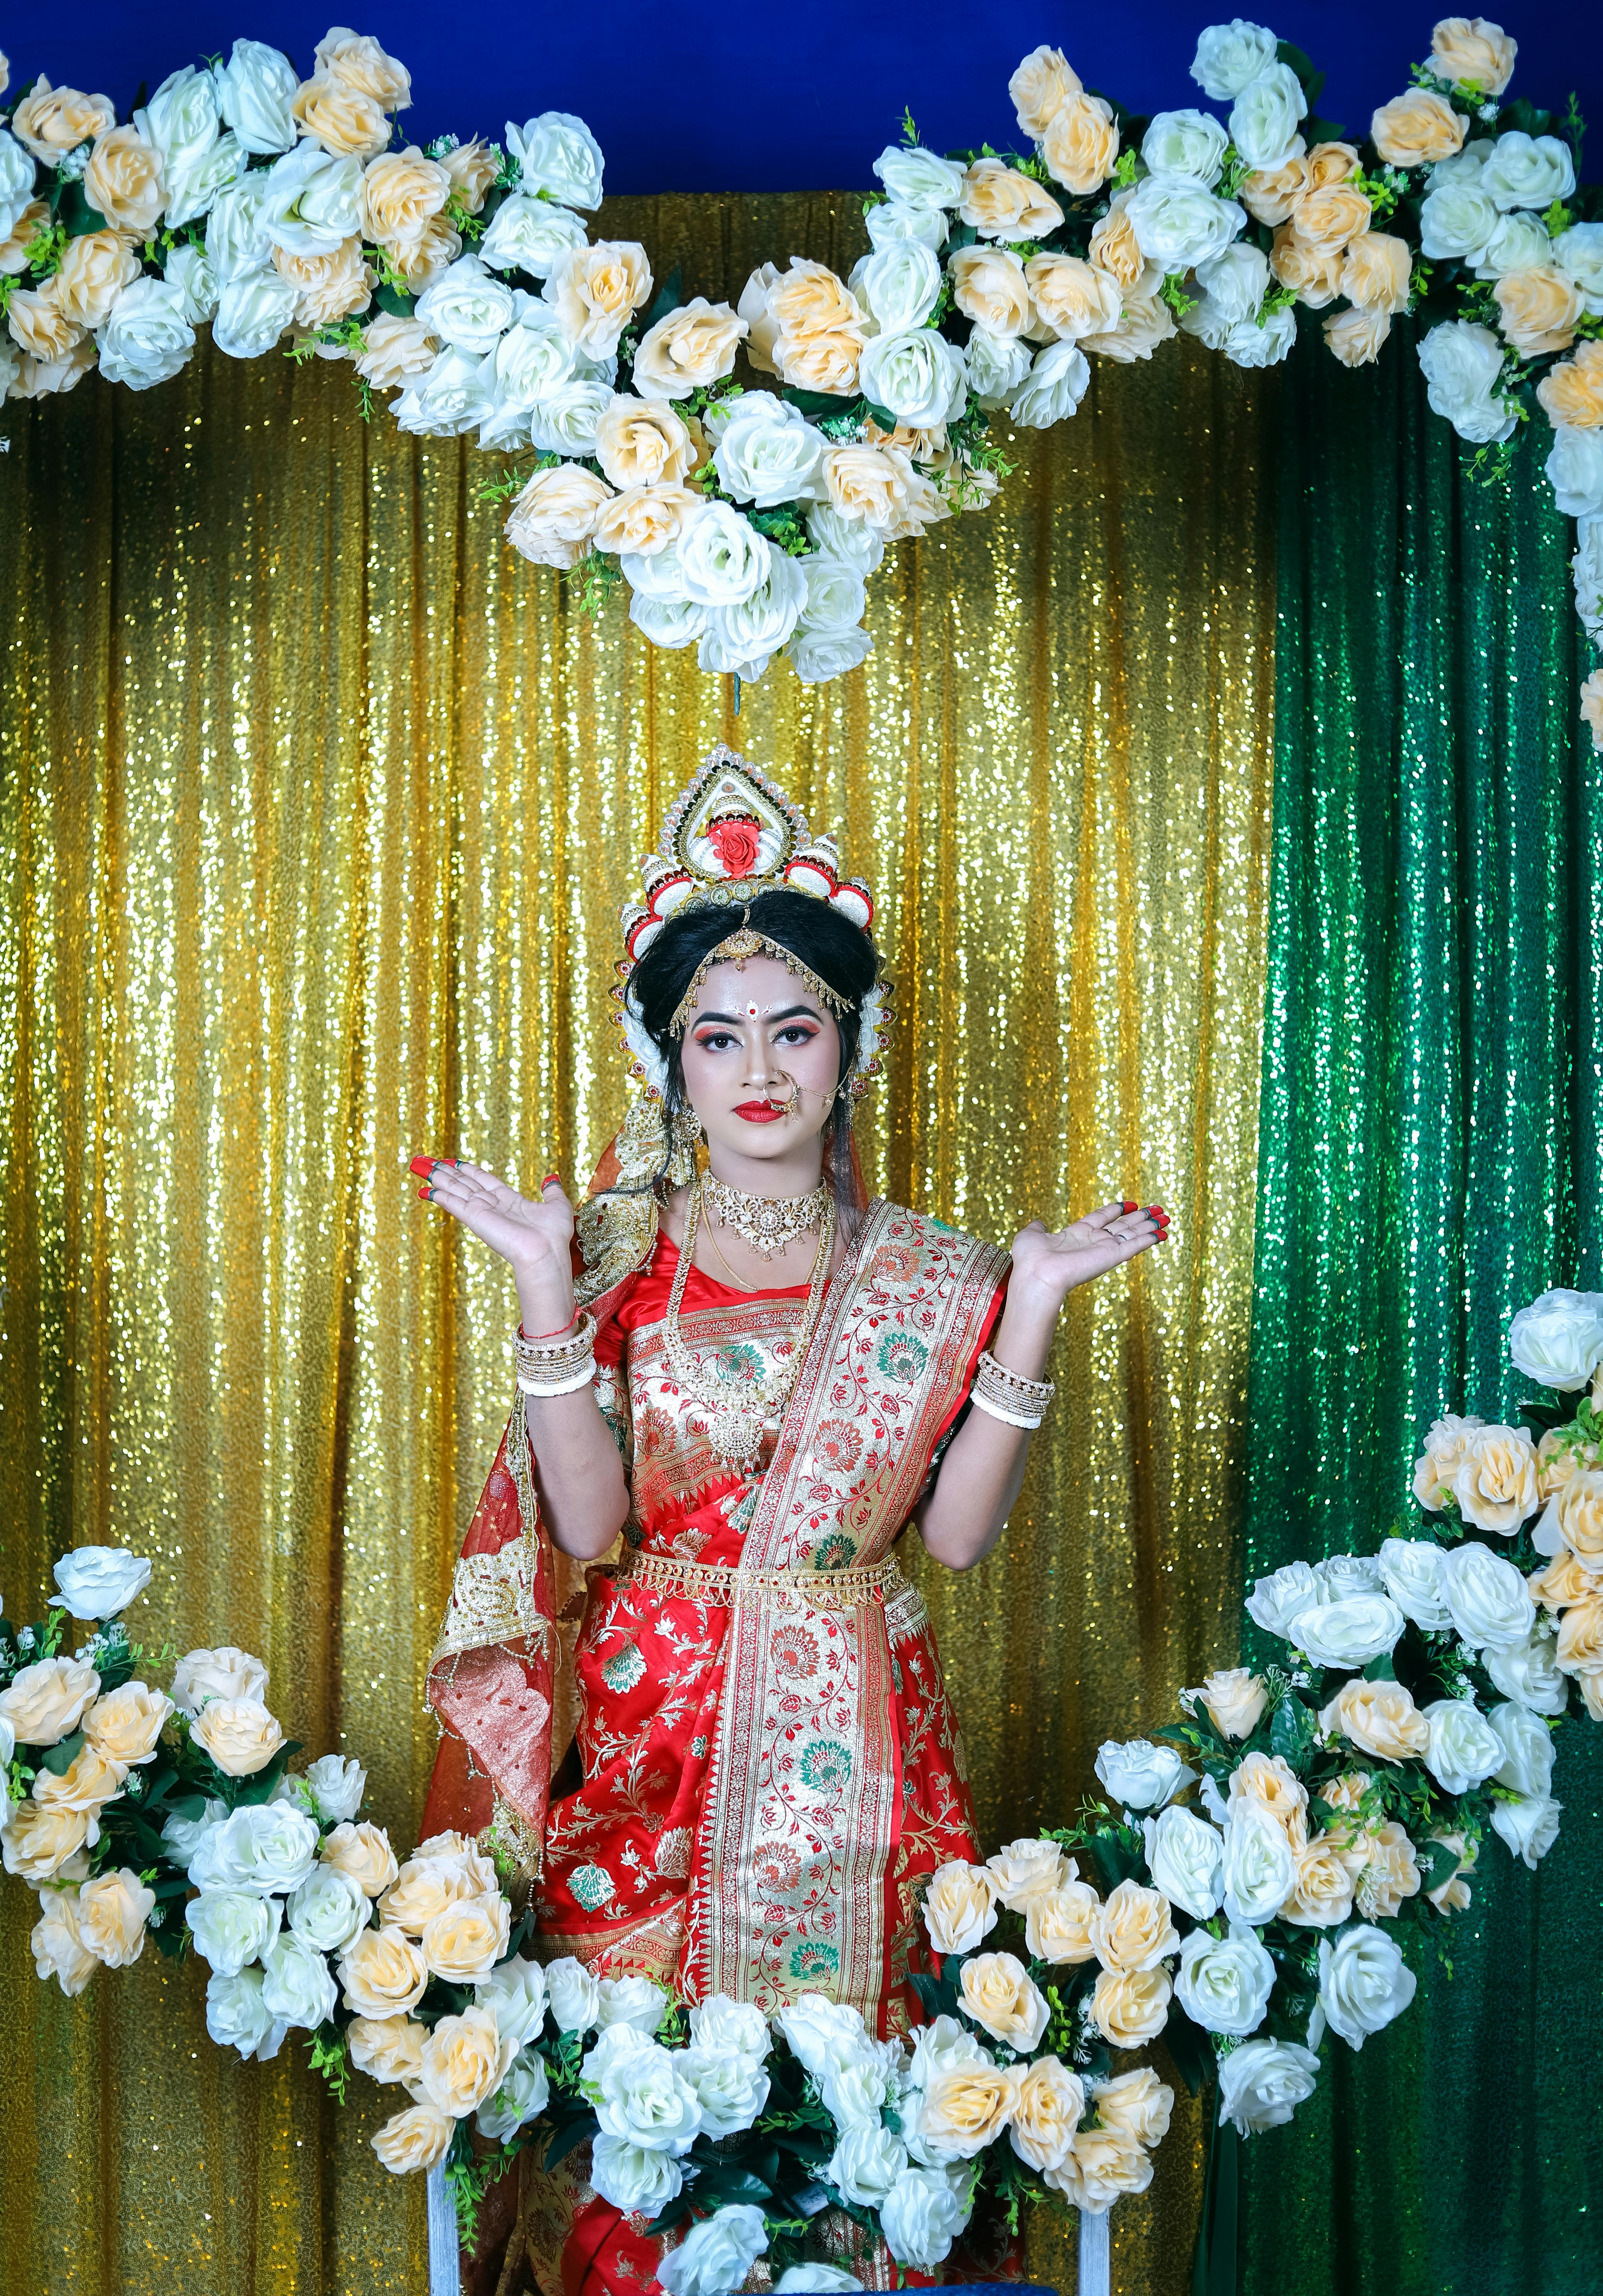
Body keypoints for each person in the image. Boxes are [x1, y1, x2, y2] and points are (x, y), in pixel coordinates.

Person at [410, 748, 1166, 2291]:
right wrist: (544, 1284)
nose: (757, 1068)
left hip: (861, 1732)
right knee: (641, 2126)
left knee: (862, 2125)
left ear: (848, 1049)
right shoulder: (619, 1253)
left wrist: (1030, 1302)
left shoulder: (934, 1275)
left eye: (794, 1028)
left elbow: (951, 1542)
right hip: (654, 1743)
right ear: (671, 1065)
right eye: (717, 1036)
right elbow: (589, 1520)